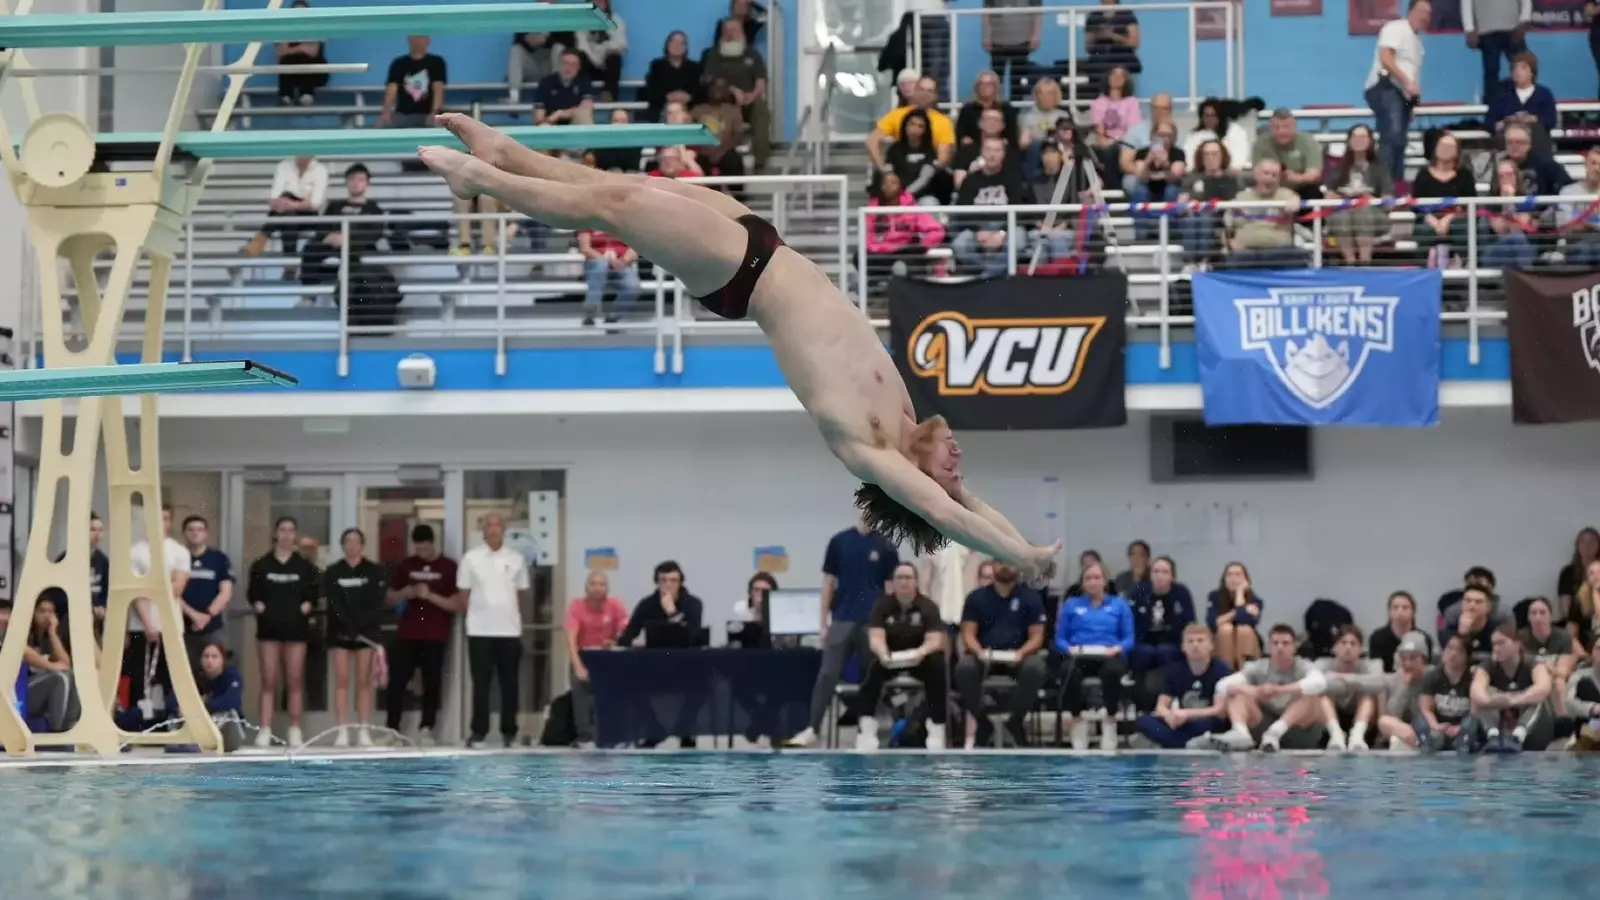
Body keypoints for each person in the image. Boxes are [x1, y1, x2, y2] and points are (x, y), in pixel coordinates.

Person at [420, 118, 1060, 580]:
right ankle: (505, 152)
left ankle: (480, 179)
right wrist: (1021, 542)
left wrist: (1020, 559)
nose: (958, 461)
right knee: (611, 184)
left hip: (740, 277)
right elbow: (969, 505)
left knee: (612, 207)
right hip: (766, 244)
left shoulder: (873, 453)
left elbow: (951, 515)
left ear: (922, 482)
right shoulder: (905, 421)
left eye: (951, 473)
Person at [785, 517, 899, 748]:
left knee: (871, 676)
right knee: (828, 674)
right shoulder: (839, 542)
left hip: (872, 622)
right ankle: (812, 728)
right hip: (842, 619)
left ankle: (866, 729)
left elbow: (890, 589)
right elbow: (828, 583)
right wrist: (823, 622)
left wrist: (887, 625)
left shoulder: (886, 546)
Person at [854, 563, 948, 751]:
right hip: (890, 659)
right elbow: (876, 638)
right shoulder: (882, 606)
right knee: (870, 665)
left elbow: (935, 640)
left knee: (937, 666)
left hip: (920, 658)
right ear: (893, 583)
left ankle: (936, 728)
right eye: (900, 578)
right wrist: (883, 654)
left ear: (916, 582)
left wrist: (920, 653)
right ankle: (866, 728)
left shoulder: (928, 607)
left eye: (908, 578)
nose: (904, 582)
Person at [954, 560, 1048, 748]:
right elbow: (968, 634)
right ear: (993, 565)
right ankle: (983, 721)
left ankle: (1014, 720)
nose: (1006, 566)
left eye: (1010, 561)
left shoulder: (1031, 598)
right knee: (964, 669)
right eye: (1000, 561)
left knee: (1036, 668)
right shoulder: (976, 597)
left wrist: (1022, 653)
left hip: (1019, 657)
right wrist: (979, 651)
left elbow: (1037, 636)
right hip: (985, 657)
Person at [459, 513, 532, 748]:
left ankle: (509, 732)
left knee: (509, 684)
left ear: (504, 529)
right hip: (479, 630)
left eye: (497, 525)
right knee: (481, 684)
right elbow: (464, 594)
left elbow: (520, 593)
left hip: (509, 631)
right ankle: (479, 731)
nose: (493, 529)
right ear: (483, 530)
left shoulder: (517, 558)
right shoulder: (471, 558)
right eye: (489, 525)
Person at [247, 516, 320, 748]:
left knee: (295, 680)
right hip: (269, 630)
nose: (287, 534)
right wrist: (260, 606)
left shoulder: (305, 566)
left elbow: (313, 594)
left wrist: (305, 607)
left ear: (295, 535)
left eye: (291, 530)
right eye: (283, 530)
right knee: (269, 680)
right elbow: (253, 593)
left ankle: (295, 728)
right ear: (276, 533)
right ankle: (265, 729)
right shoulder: (261, 565)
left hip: (296, 631)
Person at [385, 524, 460, 745]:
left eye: (426, 549)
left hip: (435, 634)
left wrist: (430, 596)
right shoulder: (406, 565)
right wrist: (405, 593)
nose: (422, 554)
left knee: (432, 682)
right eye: (418, 549)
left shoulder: (448, 567)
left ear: (433, 544)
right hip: (408, 633)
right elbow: (390, 597)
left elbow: (456, 604)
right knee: (397, 682)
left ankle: (427, 727)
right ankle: (393, 729)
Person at [1207, 624, 1334, 752]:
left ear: (1294, 647)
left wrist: (1279, 690)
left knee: (1313, 696)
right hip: (1263, 728)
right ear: (1269, 646)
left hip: (1298, 730)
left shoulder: (1304, 666)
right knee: (1237, 692)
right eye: (1275, 643)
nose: (1280, 647)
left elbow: (1320, 683)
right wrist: (1256, 691)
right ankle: (1241, 734)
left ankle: (1275, 732)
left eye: (1285, 643)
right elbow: (1222, 685)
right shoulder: (1258, 667)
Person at [1055, 560, 1134, 751]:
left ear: (1105, 581)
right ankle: (1077, 720)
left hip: (1109, 654)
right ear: (1082, 582)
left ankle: (1110, 721)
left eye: (1097, 577)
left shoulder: (1119, 605)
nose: (1092, 582)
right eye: (1088, 578)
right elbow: (1060, 638)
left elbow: (1129, 638)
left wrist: (1117, 648)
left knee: (1113, 672)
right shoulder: (1071, 605)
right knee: (1068, 671)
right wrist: (1068, 649)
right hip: (1080, 655)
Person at [126, 504, 191, 726]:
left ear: (169, 521)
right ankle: (137, 725)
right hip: (141, 626)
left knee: (172, 678)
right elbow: (136, 592)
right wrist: (148, 623)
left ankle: (174, 724)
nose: (160, 522)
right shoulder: (135, 551)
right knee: (139, 678)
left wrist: (154, 586)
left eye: (165, 518)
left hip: (171, 626)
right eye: (156, 518)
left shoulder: (179, 551)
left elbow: (177, 587)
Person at [323, 528, 387, 748]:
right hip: (340, 632)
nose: (352, 545)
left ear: (362, 545)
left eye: (356, 541)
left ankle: (364, 730)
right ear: (342, 545)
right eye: (347, 541)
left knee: (364, 682)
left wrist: (359, 625)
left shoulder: (374, 571)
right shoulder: (333, 572)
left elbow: (377, 603)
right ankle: (342, 730)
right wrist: (346, 624)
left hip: (365, 632)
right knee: (342, 680)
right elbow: (333, 601)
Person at [1133, 624, 1230, 749]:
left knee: (1207, 725)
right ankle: (1186, 744)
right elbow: (1161, 706)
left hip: (1205, 721)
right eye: (1190, 641)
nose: (1195, 645)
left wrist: (1188, 714)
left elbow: (1219, 711)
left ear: (1211, 645)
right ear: (1183, 647)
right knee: (1143, 721)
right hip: (1181, 722)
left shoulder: (1221, 669)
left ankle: (1171, 743)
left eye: (1200, 640)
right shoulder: (1174, 670)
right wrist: (1169, 716)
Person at [1364, 0, 1429, 185]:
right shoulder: (1396, 28)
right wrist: (1407, 82)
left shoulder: (1418, 42)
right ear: (1410, 11)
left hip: (1403, 96)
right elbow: (1386, 58)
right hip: (1384, 87)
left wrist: (1413, 98)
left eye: (1428, 13)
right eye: (1422, 11)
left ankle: (1396, 185)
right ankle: (1383, 184)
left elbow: (1412, 73)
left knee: (1400, 142)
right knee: (1391, 135)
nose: (1426, 17)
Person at [565, 570, 629, 748]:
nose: (597, 588)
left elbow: (626, 630)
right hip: (584, 654)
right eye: (593, 584)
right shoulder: (576, 606)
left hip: (606, 657)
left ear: (607, 588)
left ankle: (611, 734)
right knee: (580, 690)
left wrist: (616, 641)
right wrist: (578, 666)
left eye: (601, 584)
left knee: (612, 693)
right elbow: (570, 639)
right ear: (586, 587)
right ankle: (585, 736)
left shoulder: (615, 605)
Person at [1470, 621, 1554, 752]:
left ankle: (1518, 736)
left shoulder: (1533, 662)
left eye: (1501, 643)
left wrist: (1514, 700)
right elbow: (1476, 691)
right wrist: (1491, 701)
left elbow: (1544, 687)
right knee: (1486, 694)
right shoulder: (1488, 665)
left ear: (1517, 644)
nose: (1496, 648)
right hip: (1500, 719)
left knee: (1537, 697)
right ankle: (1492, 735)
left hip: (1533, 726)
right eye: (1494, 644)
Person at [1323, 124, 1395, 265]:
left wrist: (1373, 200)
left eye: (1363, 137)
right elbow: (1328, 196)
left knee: (1363, 212)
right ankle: (1350, 263)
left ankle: (1364, 262)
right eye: (1355, 137)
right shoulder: (1337, 169)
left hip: (1374, 215)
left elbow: (1389, 202)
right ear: (1349, 141)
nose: (1358, 140)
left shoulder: (1380, 169)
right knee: (1342, 215)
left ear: (1370, 141)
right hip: (1343, 214)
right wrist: (1335, 198)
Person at [1409, 131, 1477, 268]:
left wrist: (1448, 219)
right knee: (1424, 230)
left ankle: (1460, 262)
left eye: (1450, 147)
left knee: (1462, 228)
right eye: (1442, 146)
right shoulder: (1423, 174)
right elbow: (1416, 205)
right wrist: (1433, 221)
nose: (1445, 150)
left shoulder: (1465, 175)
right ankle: (1428, 264)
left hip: (1456, 218)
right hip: (1429, 219)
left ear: (1457, 152)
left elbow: (1468, 204)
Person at [1314, 625, 1384, 750]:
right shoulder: (1322, 663)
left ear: (1360, 649)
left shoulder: (1372, 664)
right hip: (1330, 718)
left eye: (1353, 643)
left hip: (1363, 719)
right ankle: (1336, 735)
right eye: (1343, 642)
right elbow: (1313, 683)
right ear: (1334, 647)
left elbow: (1379, 683)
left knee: (1368, 693)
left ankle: (1357, 736)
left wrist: (1341, 677)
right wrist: (1354, 681)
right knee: (1323, 694)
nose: (1348, 647)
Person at [1128, 555, 1196, 682]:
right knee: (1143, 653)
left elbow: (1190, 622)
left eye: (1165, 572)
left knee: (1166, 651)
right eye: (1156, 571)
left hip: (1172, 640)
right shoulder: (1139, 591)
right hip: (1145, 639)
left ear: (1172, 576)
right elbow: (1130, 621)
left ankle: (1170, 690)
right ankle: (1137, 690)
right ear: (1150, 574)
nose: (1160, 576)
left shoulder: (1181, 592)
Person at [178, 514, 233, 667]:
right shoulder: (177, 558)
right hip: (182, 628)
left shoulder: (219, 558)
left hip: (213, 628)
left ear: (206, 533)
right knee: (186, 673)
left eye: (200, 529)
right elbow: (171, 593)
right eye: (191, 529)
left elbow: (226, 592)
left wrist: (206, 615)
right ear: (184, 533)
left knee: (215, 672)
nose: (195, 533)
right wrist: (193, 615)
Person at [1370, 632, 1433, 752]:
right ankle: (1409, 742)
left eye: (1413, 658)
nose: (1407, 663)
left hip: (1425, 732)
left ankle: (1413, 742)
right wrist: (1404, 687)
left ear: (1424, 659)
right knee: (1384, 721)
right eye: (1404, 658)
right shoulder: (1392, 680)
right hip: (1394, 736)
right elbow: (1392, 716)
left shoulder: (1433, 677)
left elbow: (1424, 715)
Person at [1416, 633, 1476, 752]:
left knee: (1473, 723)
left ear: (1466, 656)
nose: (1453, 654)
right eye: (1450, 648)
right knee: (1419, 720)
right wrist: (1436, 726)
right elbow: (1425, 709)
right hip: (1438, 728)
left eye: (1459, 650)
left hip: (1463, 729)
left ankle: (1463, 747)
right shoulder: (1432, 676)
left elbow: (1475, 712)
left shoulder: (1473, 678)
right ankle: (1430, 746)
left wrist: (1459, 728)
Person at [1520, 596, 1577, 714]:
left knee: (1559, 684)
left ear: (1550, 616)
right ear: (1528, 618)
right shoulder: (1520, 638)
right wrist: (1546, 666)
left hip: (1554, 678)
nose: (1538, 617)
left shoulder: (1563, 637)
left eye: (1542, 612)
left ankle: (1564, 724)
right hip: (1531, 678)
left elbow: (1562, 671)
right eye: (1533, 613)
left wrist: (1543, 666)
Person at [379, 34, 446, 128]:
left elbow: (438, 88)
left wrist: (435, 112)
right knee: (385, 125)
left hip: (426, 114)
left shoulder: (436, 62)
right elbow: (392, 89)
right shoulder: (399, 63)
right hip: (403, 114)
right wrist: (386, 112)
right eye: (415, 37)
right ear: (409, 39)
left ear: (428, 40)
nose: (418, 40)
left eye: (421, 37)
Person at [1207, 561, 1262, 669]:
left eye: (1238, 574)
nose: (1233, 578)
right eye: (1229, 574)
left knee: (1244, 629)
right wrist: (1237, 611)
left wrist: (1240, 592)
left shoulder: (1255, 600)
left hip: (1247, 641)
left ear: (1246, 579)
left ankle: (1244, 672)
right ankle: (1227, 670)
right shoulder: (1214, 596)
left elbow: (1244, 620)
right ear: (1224, 579)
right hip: (1221, 642)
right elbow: (1213, 623)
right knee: (1225, 630)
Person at [274, 1, 327, 105]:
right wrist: (302, 47)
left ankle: (307, 95)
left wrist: (291, 49)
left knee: (304, 58)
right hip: (293, 73)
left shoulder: (316, 30)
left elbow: (312, 52)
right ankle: (285, 97)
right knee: (285, 61)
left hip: (315, 74)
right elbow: (281, 53)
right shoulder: (283, 31)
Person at [196, 640, 246, 752]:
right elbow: (173, 700)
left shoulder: (232, 676)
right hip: (200, 726)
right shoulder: (195, 677)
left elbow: (233, 702)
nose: (209, 660)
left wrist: (204, 703)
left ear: (222, 660)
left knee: (229, 714)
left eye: (214, 657)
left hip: (227, 730)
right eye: (206, 656)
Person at [644, 30, 703, 122]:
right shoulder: (657, 66)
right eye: (673, 42)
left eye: (681, 43)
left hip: (688, 107)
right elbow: (652, 91)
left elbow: (699, 91)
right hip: (663, 106)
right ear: (667, 45)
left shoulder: (695, 68)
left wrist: (689, 97)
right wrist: (667, 97)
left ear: (686, 48)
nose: (677, 45)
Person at [574, 0, 627, 100]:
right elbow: (582, 46)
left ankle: (609, 95)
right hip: (589, 64)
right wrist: (596, 60)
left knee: (615, 58)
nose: (598, 5)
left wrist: (605, 50)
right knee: (580, 57)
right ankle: (585, 97)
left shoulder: (616, 20)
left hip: (606, 66)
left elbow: (621, 44)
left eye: (601, 2)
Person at [1369, 590, 1433, 673]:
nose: (1400, 612)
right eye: (1395, 607)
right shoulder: (1377, 638)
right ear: (1389, 612)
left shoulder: (1423, 638)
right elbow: (1376, 672)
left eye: (1405, 608)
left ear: (1413, 612)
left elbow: (1426, 670)